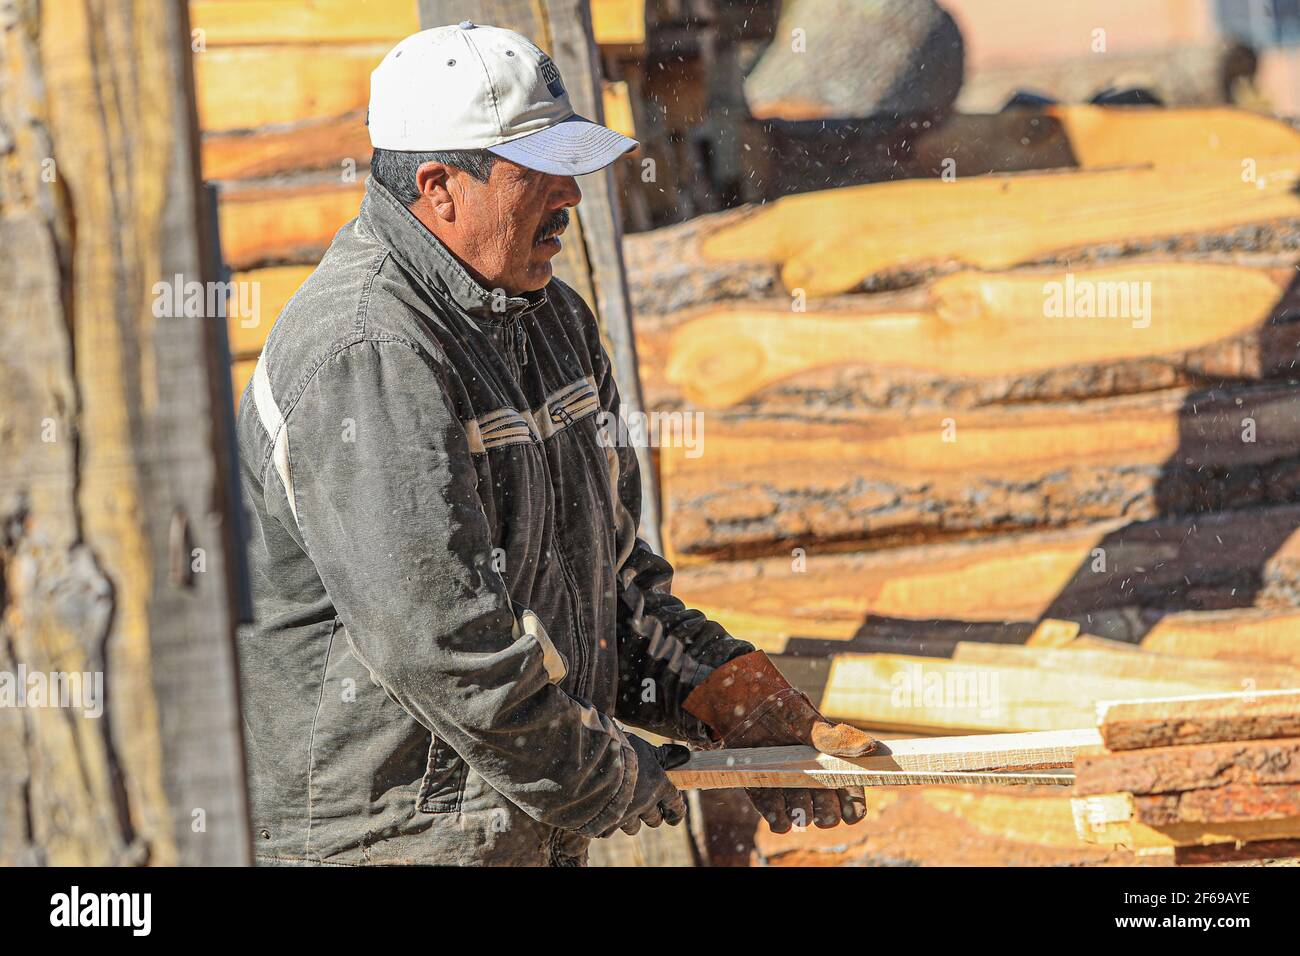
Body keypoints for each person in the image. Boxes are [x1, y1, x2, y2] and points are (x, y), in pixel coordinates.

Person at [235, 21, 875, 866]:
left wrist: (724, 694)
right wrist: (609, 776)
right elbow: (446, 647)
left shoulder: (554, 322)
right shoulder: (370, 353)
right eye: (539, 173)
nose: (573, 196)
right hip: (386, 842)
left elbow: (608, 581)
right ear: (439, 188)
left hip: (508, 828)